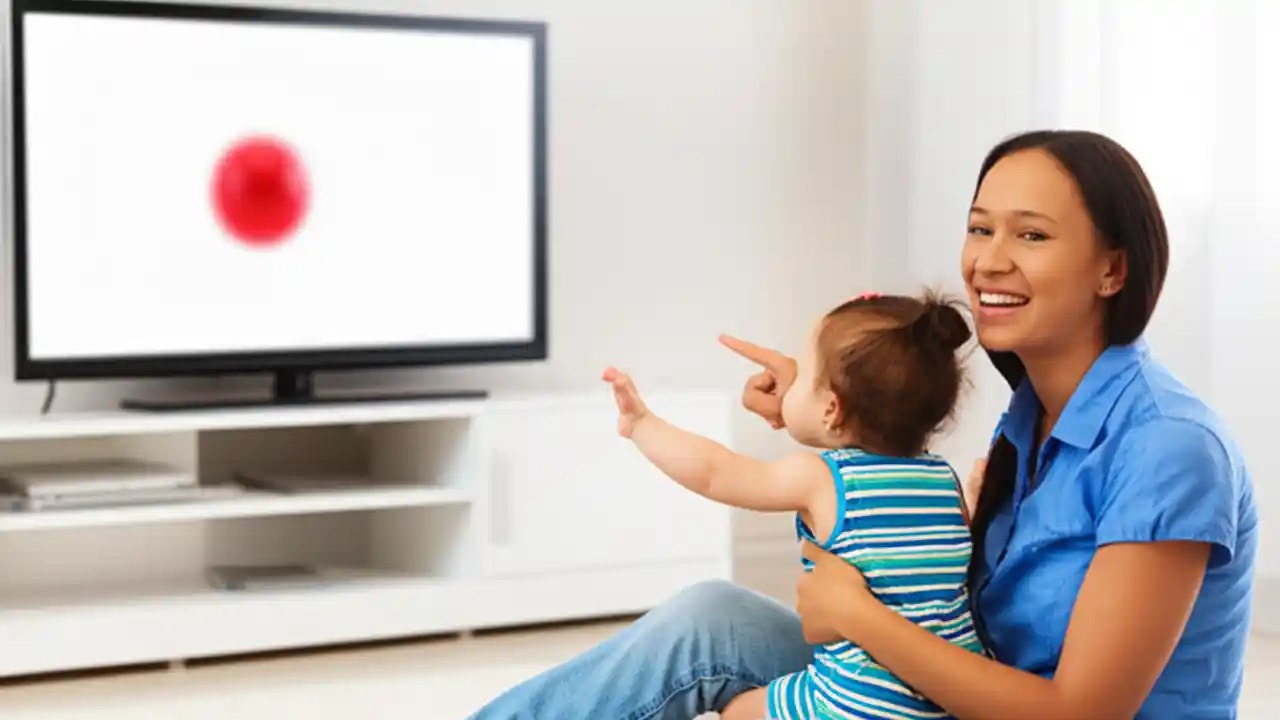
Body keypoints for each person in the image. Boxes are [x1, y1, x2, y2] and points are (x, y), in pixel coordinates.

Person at [466, 130, 1258, 720]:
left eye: (1032, 235)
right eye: (980, 228)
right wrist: (821, 408)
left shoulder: (1167, 449)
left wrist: (858, 619)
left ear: (1113, 270)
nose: (989, 259)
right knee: (713, 618)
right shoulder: (1030, 423)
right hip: (956, 697)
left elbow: (1080, 715)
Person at [601, 290, 984, 720]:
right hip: (945, 702)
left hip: (858, 703)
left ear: (832, 409)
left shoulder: (826, 479)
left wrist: (643, 425)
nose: (790, 384)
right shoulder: (944, 479)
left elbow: (715, 472)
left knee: (738, 711)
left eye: (802, 376)